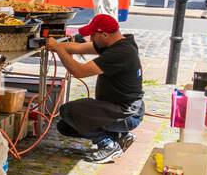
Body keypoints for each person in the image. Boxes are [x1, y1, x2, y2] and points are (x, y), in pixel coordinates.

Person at [47, 14, 144, 164]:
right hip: (122, 109)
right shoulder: (119, 43)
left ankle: (108, 145)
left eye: (93, 34)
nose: (91, 38)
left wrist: (59, 49)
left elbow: (79, 71)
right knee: (65, 126)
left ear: (105, 34)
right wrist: (58, 44)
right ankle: (119, 135)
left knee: (69, 111)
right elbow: (77, 48)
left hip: (126, 113)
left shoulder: (120, 53)